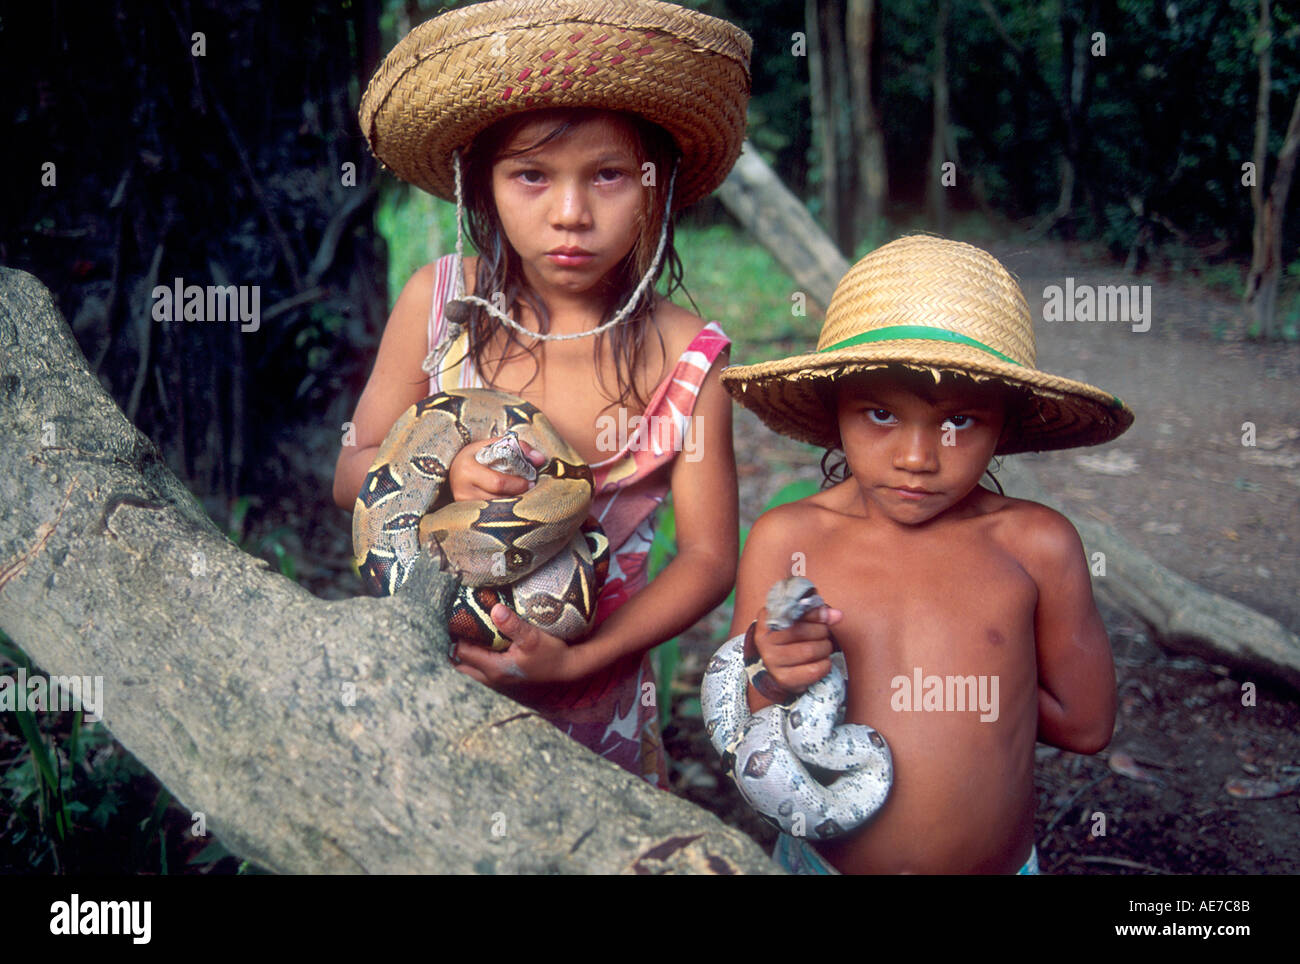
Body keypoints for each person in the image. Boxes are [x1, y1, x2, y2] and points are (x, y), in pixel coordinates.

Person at [332, 0, 752, 787]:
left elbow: (708, 557)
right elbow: (353, 469)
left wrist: (579, 659)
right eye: (532, 174)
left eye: (609, 176)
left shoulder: (691, 358)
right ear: (482, 186)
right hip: (436, 688)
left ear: (655, 189)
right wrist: (444, 475)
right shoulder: (437, 304)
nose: (571, 214)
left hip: (597, 700)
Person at [719, 234, 1135, 872]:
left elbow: (1086, 724)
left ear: (1008, 423)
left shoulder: (1039, 545)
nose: (917, 458)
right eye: (880, 413)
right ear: (834, 412)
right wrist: (774, 672)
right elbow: (748, 726)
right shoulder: (787, 539)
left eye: (959, 422)